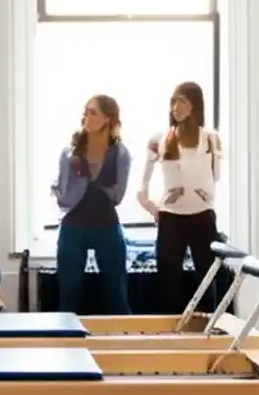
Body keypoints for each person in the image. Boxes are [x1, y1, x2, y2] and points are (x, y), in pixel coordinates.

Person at [138, 81, 222, 316]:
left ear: (195, 105)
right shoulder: (160, 140)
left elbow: (215, 178)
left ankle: (208, 329)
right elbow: (141, 187)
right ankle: (170, 333)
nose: (175, 107)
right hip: (171, 219)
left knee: (207, 277)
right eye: (173, 101)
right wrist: (153, 208)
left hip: (202, 217)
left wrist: (201, 195)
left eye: (181, 101)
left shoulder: (211, 139)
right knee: (168, 280)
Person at [51, 94, 132, 315]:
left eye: (92, 112)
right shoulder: (70, 153)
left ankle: (125, 342)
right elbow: (64, 196)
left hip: (106, 225)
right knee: (68, 293)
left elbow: (118, 195)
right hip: (73, 227)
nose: (86, 116)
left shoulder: (121, 154)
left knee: (117, 293)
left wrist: (98, 177)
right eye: (85, 111)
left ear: (107, 119)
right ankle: (67, 344)